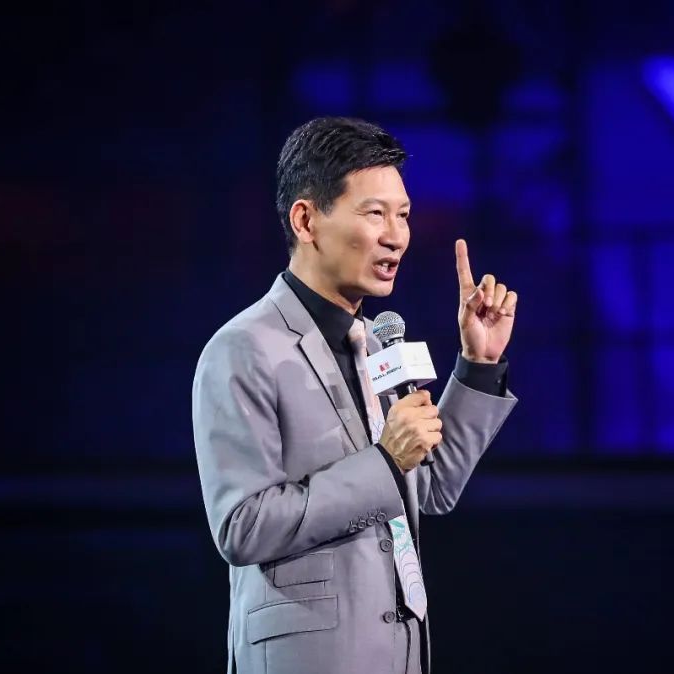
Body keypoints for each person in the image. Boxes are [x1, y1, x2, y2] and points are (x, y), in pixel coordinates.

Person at [192, 116, 518, 674]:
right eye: (374, 213)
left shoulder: (377, 340)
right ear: (305, 220)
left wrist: (479, 366)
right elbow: (242, 526)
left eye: (403, 214)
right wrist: (385, 462)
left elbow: (429, 487)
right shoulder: (243, 348)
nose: (397, 235)